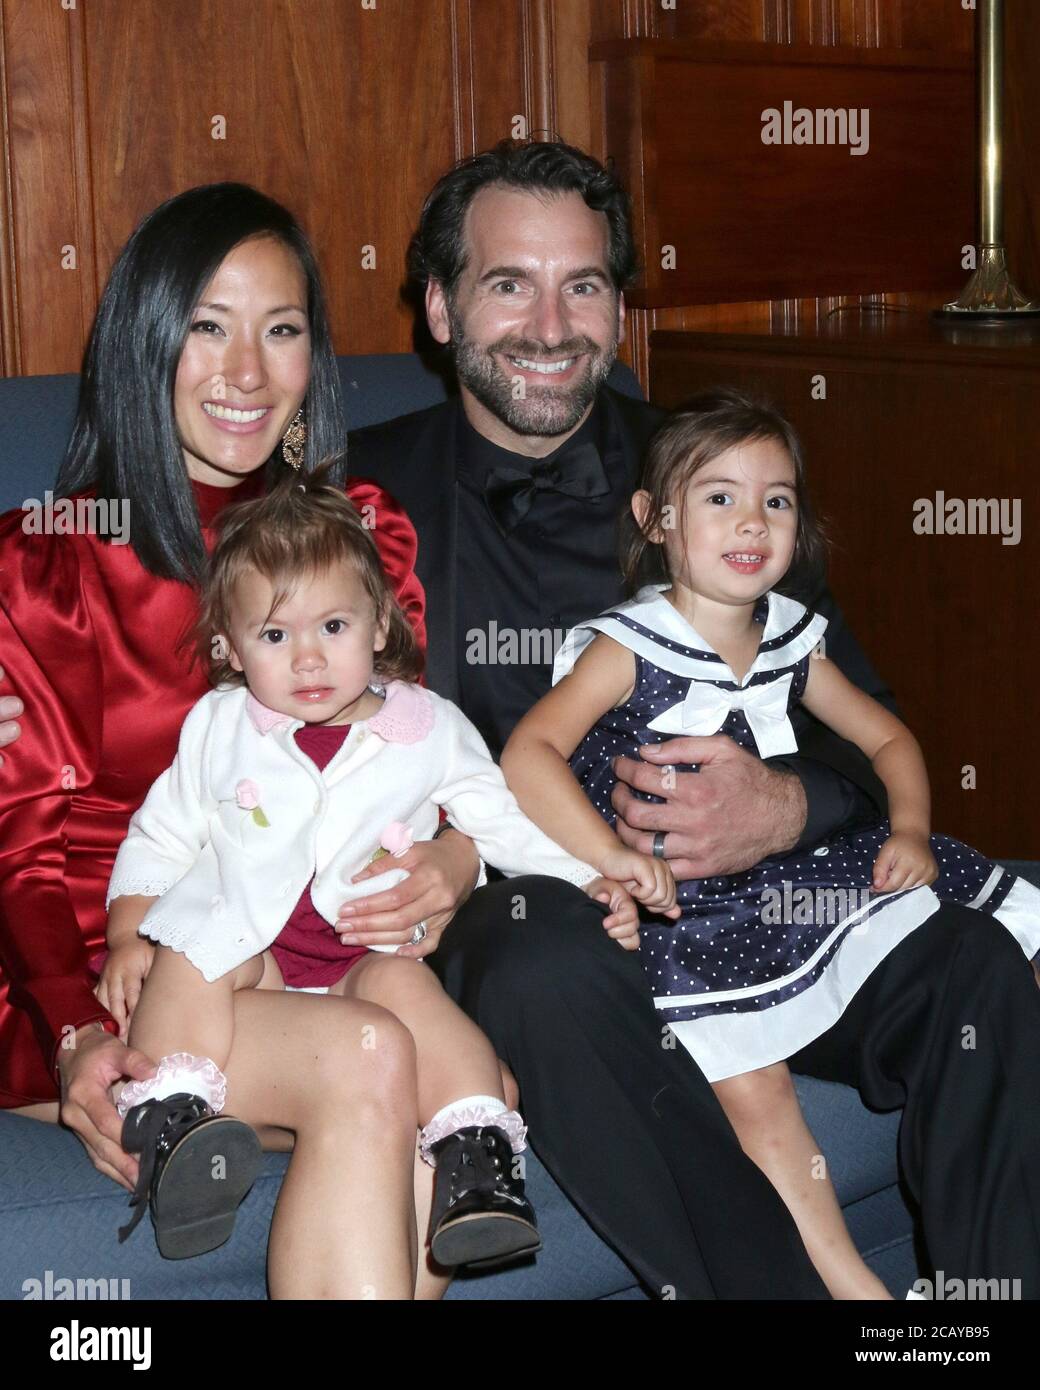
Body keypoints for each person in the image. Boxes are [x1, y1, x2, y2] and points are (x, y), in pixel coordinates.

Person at [339, 138, 1040, 1299]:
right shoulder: (355, 497)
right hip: (517, 909)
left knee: (969, 962)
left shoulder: (716, 472)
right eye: (508, 283)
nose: (551, 323)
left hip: (753, 905)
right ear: (438, 306)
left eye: (585, 285)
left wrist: (780, 805)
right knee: (539, 956)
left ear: (617, 306)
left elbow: (865, 730)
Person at [0, 183, 485, 1299]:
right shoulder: (45, 560)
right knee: (378, 1061)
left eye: (282, 330)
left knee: (440, 1082)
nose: (247, 373)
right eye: (208, 328)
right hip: (123, 984)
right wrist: (76, 1034)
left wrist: (454, 862)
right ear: (146, 344)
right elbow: (18, 847)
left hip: (318, 964)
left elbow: (420, 754)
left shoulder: (359, 536)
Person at [502, 391, 1040, 1299]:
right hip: (690, 911)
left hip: (792, 879)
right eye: (719, 497)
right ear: (655, 520)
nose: (752, 520)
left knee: (999, 949)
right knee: (758, 1092)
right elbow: (529, 752)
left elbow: (889, 741)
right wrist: (614, 856)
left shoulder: (795, 635)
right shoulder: (629, 644)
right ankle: (854, 1292)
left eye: (777, 500)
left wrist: (908, 826)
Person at [98, 470, 648, 1265]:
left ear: (380, 624)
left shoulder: (431, 729)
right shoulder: (219, 727)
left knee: (413, 1000)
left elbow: (503, 821)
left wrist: (589, 875)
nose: (309, 659)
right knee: (190, 949)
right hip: (256, 965)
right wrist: (125, 933)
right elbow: (159, 836)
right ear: (230, 646)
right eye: (275, 636)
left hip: (364, 955)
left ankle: (475, 1154)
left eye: (333, 626)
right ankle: (176, 1122)